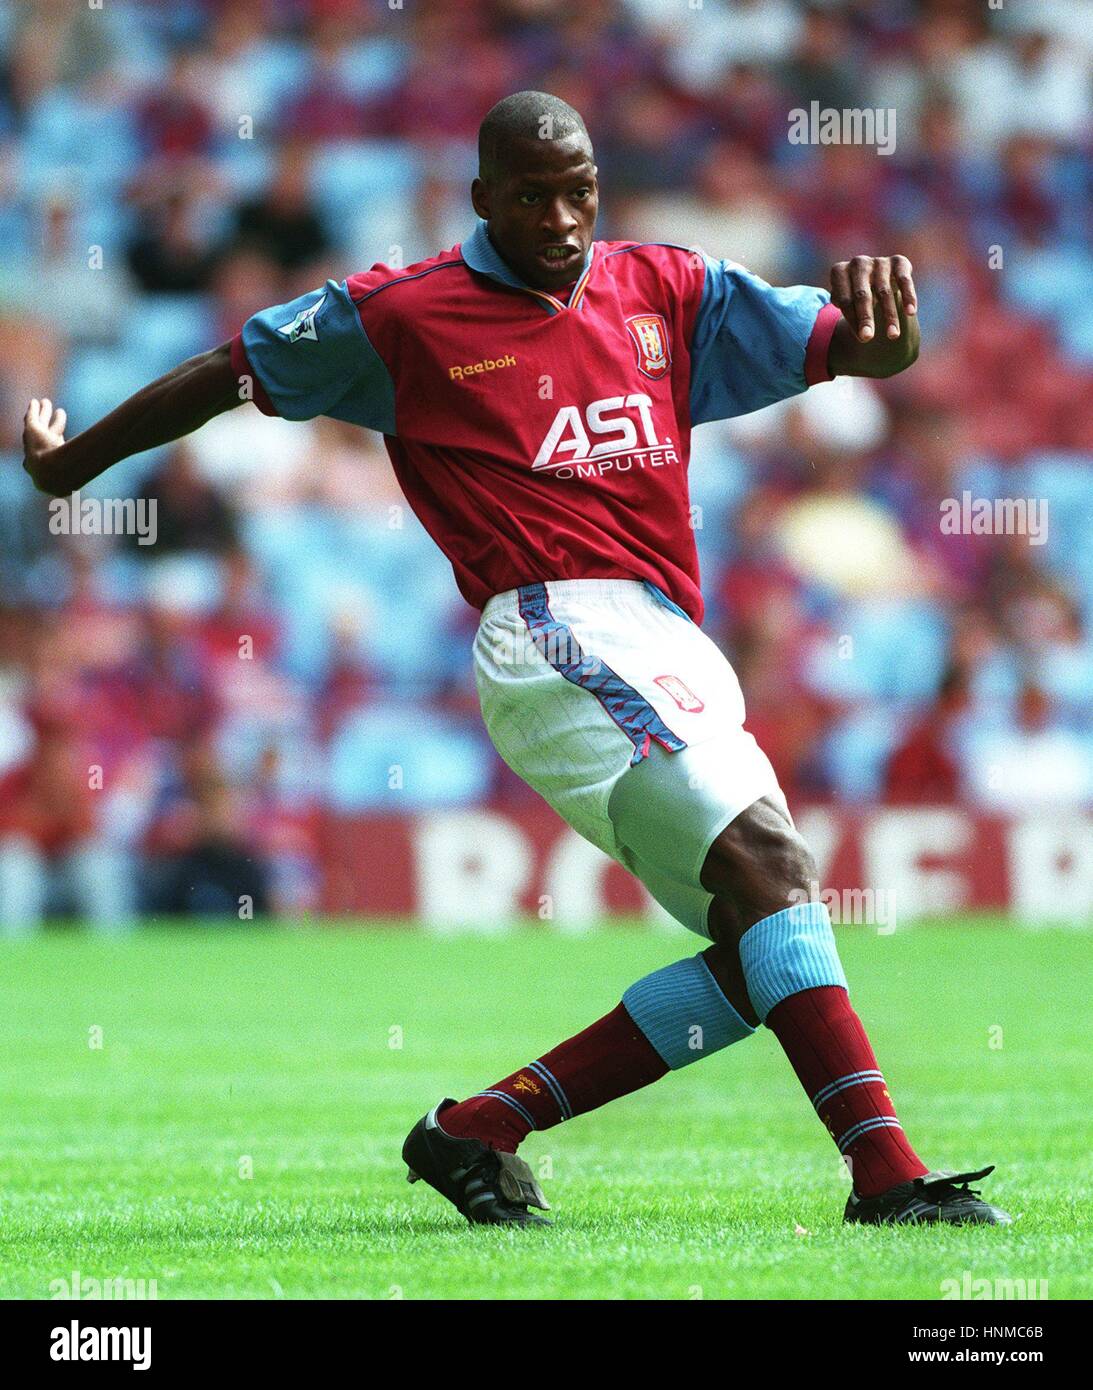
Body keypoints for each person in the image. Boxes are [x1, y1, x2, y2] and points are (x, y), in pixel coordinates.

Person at [20, 92, 1009, 1228]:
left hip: (666, 634)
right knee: (770, 868)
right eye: (532, 194)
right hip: (550, 626)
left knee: (762, 947)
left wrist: (877, 353)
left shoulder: (665, 289)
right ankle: (884, 1177)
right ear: (484, 196)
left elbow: (837, 341)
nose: (560, 216)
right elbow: (223, 369)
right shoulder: (403, 314)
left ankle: (478, 1127)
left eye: (578, 189)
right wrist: (72, 466)